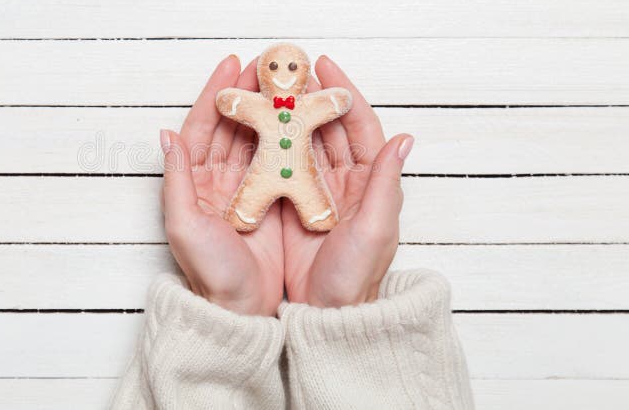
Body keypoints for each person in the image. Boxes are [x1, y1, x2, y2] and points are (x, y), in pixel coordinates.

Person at [111, 54, 474, 409]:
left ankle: (310, 209)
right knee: (250, 203)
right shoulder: (260, 107)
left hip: (305, 182)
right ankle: (258, 209)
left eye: (290, 66)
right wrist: (233, 304)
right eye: (274, 66)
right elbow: (235, 103)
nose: (283, 72)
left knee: (313, 203)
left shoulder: (307, 107)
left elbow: (331, 103)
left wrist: (230, 308)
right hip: (261, 181)